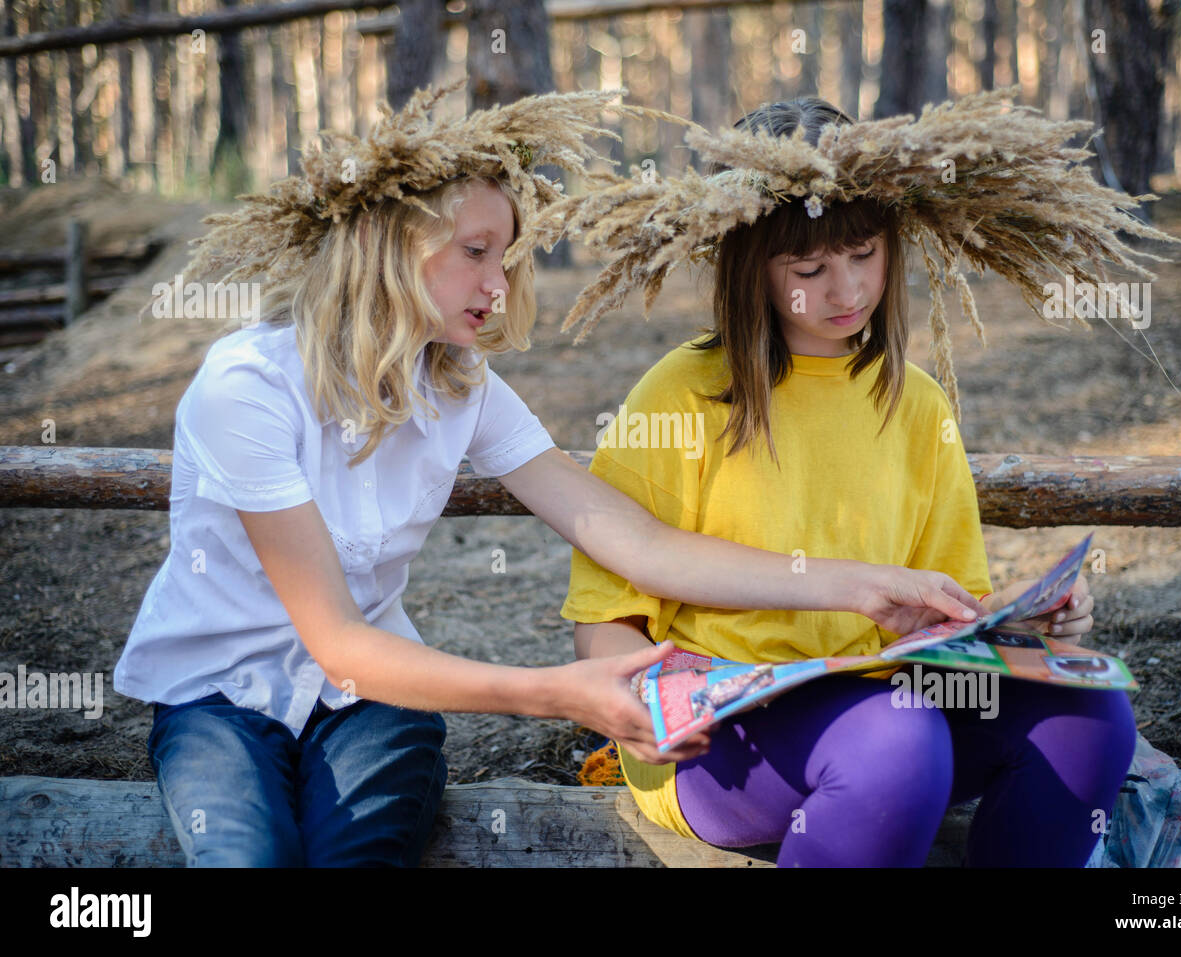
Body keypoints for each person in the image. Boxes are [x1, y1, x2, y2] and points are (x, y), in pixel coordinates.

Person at [112, 84, 985, 868]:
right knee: (245, 854)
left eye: (509, 254)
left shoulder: (460, 386)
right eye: (476, 252)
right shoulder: (248, 388)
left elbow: (636, 542)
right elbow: (337, 640)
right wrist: (555, 694)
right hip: (223, 699)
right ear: (388, 243)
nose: (500, 283)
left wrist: (861, 584)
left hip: (367, 705)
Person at [511, 89, 1178, 866]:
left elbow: (946, 616)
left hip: (894, 701)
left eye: (865, 255)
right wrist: (641, 711)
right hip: (719, 743)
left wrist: (1029, 625)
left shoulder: (918, 404)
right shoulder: (679, 397)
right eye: (809, 267)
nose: (847, 290)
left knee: (1088, 714)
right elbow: (604, 625)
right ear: (748, 264)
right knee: (898, 735)